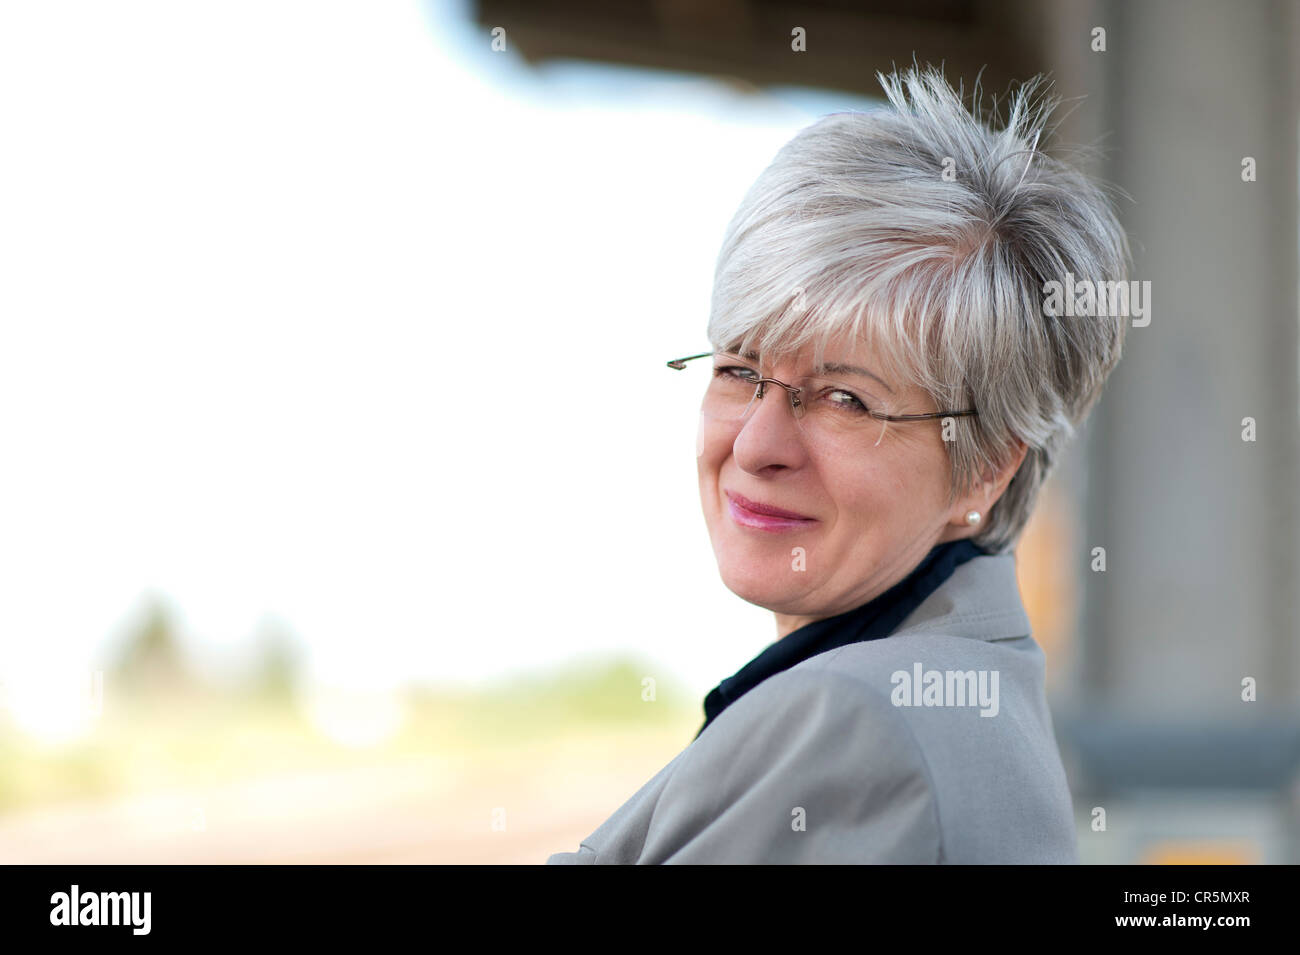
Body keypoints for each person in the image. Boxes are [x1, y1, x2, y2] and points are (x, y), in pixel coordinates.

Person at [547, 64, 1130, 864]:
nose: (755, 446)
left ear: (987, 467)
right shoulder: (975, 697)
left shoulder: (854, 720)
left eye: (845, 399)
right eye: (739, 370)